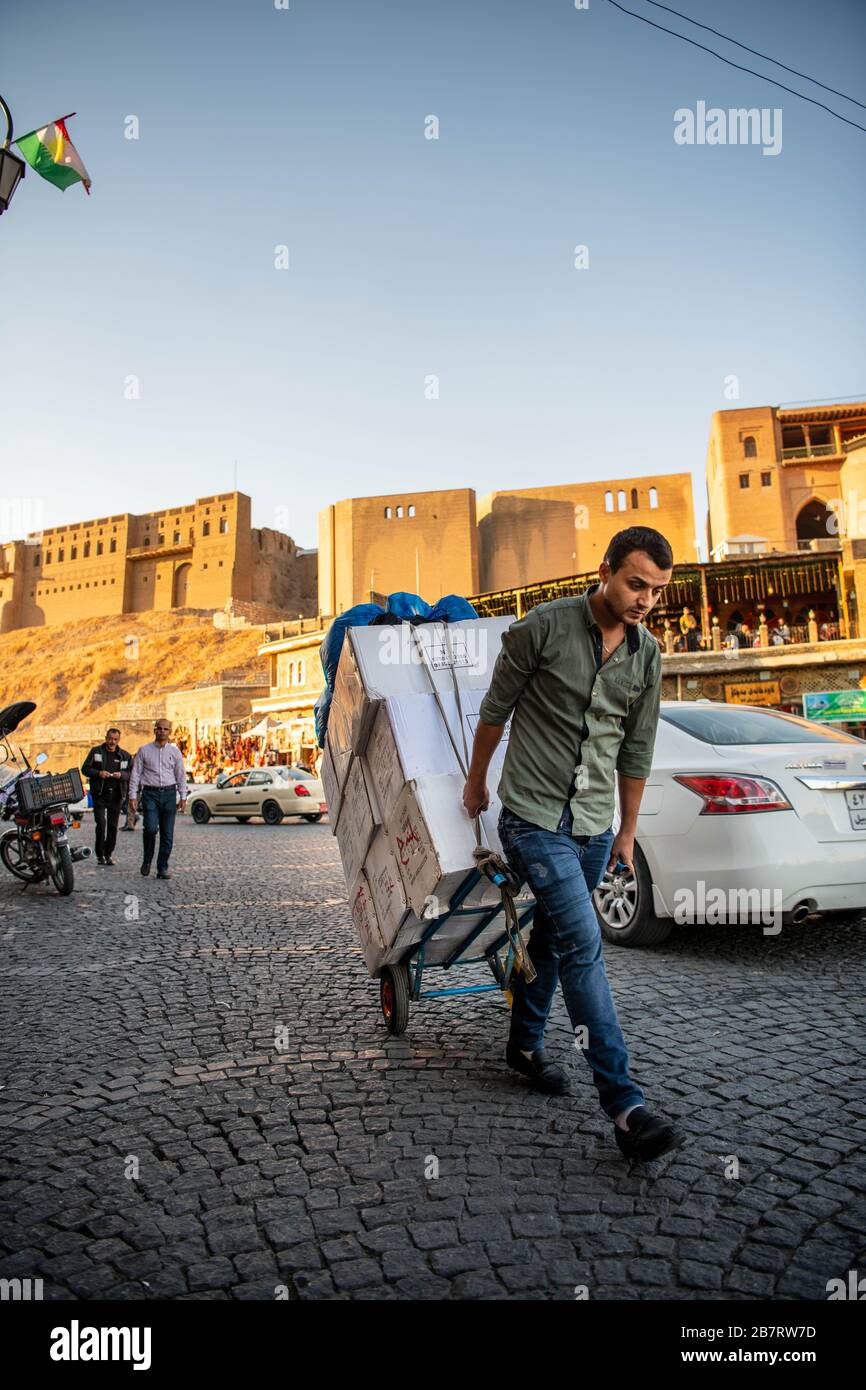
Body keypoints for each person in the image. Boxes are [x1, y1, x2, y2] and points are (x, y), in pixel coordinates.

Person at [463, 526, 685, 1164]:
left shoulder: (647, 657)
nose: (645, 599)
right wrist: (477, 785)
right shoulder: (543, 627)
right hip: (532, 819)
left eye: (657, 591)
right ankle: (625, 1107)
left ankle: (524, 1046)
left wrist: (627, 829)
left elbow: (637, 749)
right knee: (586, 943)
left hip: (592, 824)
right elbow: (495, 710)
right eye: (635, 583)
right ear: (606, 570)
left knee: (555, 942)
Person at [128, 719, 188, 880]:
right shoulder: (144, 750)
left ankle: (162, 867)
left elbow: (181, 775)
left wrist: (183, 796)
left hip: (169, 794)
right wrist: (132, 796)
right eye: (159, 728)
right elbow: (136, 774)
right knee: (150, 829)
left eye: (165, 729)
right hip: (150, 794)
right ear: (155, 730)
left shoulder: (175, 752)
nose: (162, 731)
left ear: (170, 732)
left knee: (167, 834)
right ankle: (147, 859)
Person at [81, 727, 133, 865]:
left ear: (118, 740)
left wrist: (121, 775)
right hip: (99, 794)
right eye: (110, 739)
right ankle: (100, 854)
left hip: (116, 795)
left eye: (115, 739)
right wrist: (98, 773)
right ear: (106, 738)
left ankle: (108, 854)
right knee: (101, 824)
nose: (112, 742)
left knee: (112, 825)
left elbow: (130, 773)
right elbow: (85, 769)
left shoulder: (125, 756)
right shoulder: (96, 751)